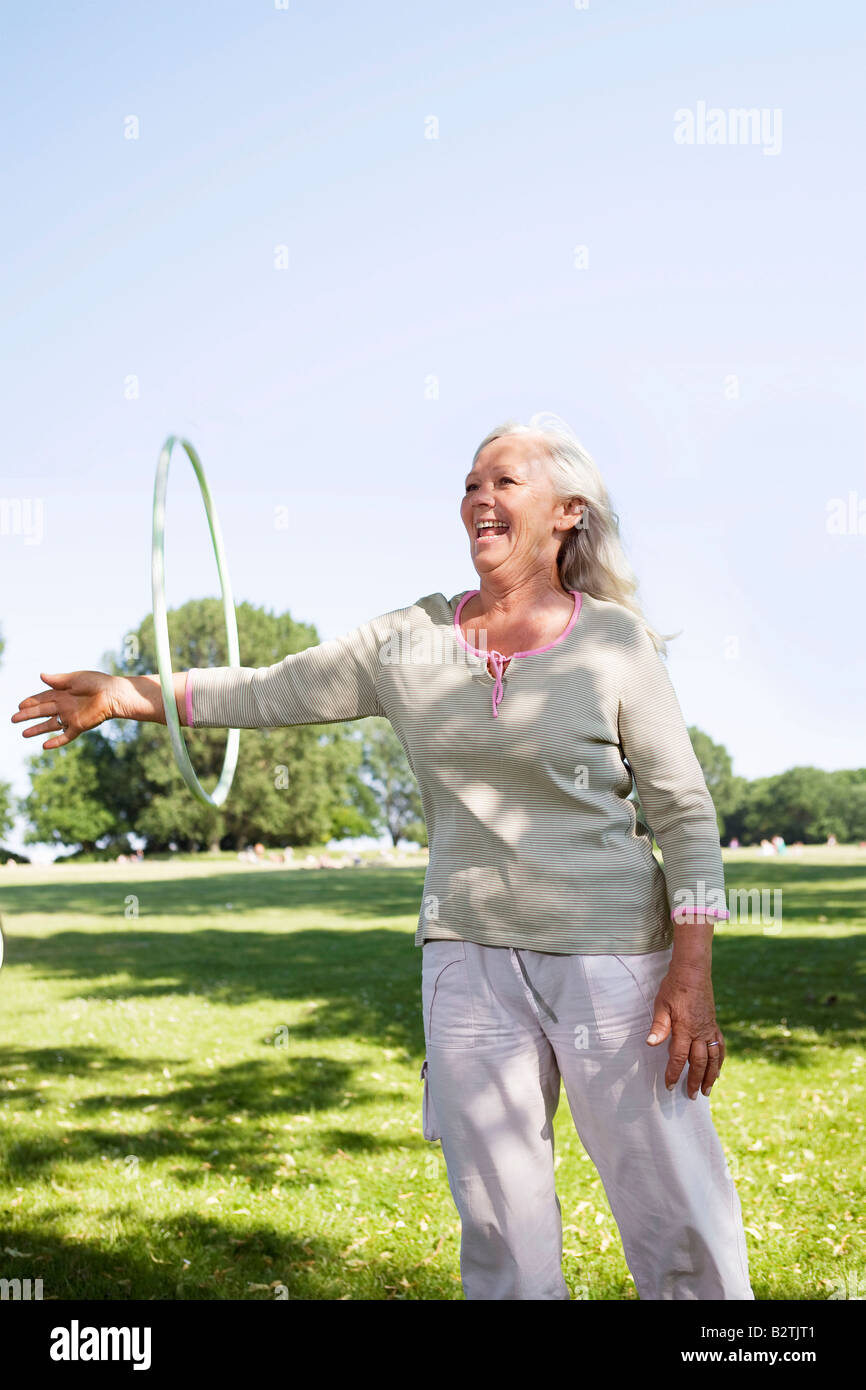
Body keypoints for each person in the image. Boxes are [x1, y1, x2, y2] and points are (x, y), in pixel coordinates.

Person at [10, 411, 753, 1302]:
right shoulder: (406, 640)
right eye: (471, 483)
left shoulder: (614, 643)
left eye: (504, 481)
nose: (479, 497)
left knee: (672, 1209)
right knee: (499, 1230)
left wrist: (693, 970)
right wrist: (131, 694)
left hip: (612, 959)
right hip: (467, 962)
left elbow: (684, 812)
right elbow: (273, 688)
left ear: (566, 511)